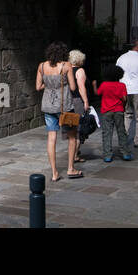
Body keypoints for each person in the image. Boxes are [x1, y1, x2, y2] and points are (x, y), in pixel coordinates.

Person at [36, 41, 81, 181]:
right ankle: (70, 168)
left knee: (51, 138)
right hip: (65, 106)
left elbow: (38, 87)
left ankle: (54, 172)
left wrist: (49, 84)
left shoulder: (42, 66)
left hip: (48, 106)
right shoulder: (66, 66)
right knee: (72, 137)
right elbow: (73, 88)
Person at [116, 38, 138, 148]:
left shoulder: (121, 58)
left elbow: (117, 74)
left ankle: (123, 138)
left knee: (126, 114)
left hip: (123, 90)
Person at [97, 65, 132, 162]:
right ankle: (125, 153)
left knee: (107, 133)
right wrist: (123, 106)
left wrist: (94, 85)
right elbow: (125, 98)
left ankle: (107, 155)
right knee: (121, 132)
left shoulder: (104, 85)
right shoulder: (122, 85)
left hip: (106, 111)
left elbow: (98, 93)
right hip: (119, 110)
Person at [68, 49, 91, 164]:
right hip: (77, 101)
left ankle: (74, 154)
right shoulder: (80, 71)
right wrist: (86, 101)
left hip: (67, 101)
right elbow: (81, 87)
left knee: (71, 130)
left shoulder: (65, 70)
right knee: (78, 130)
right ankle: (74, 156)